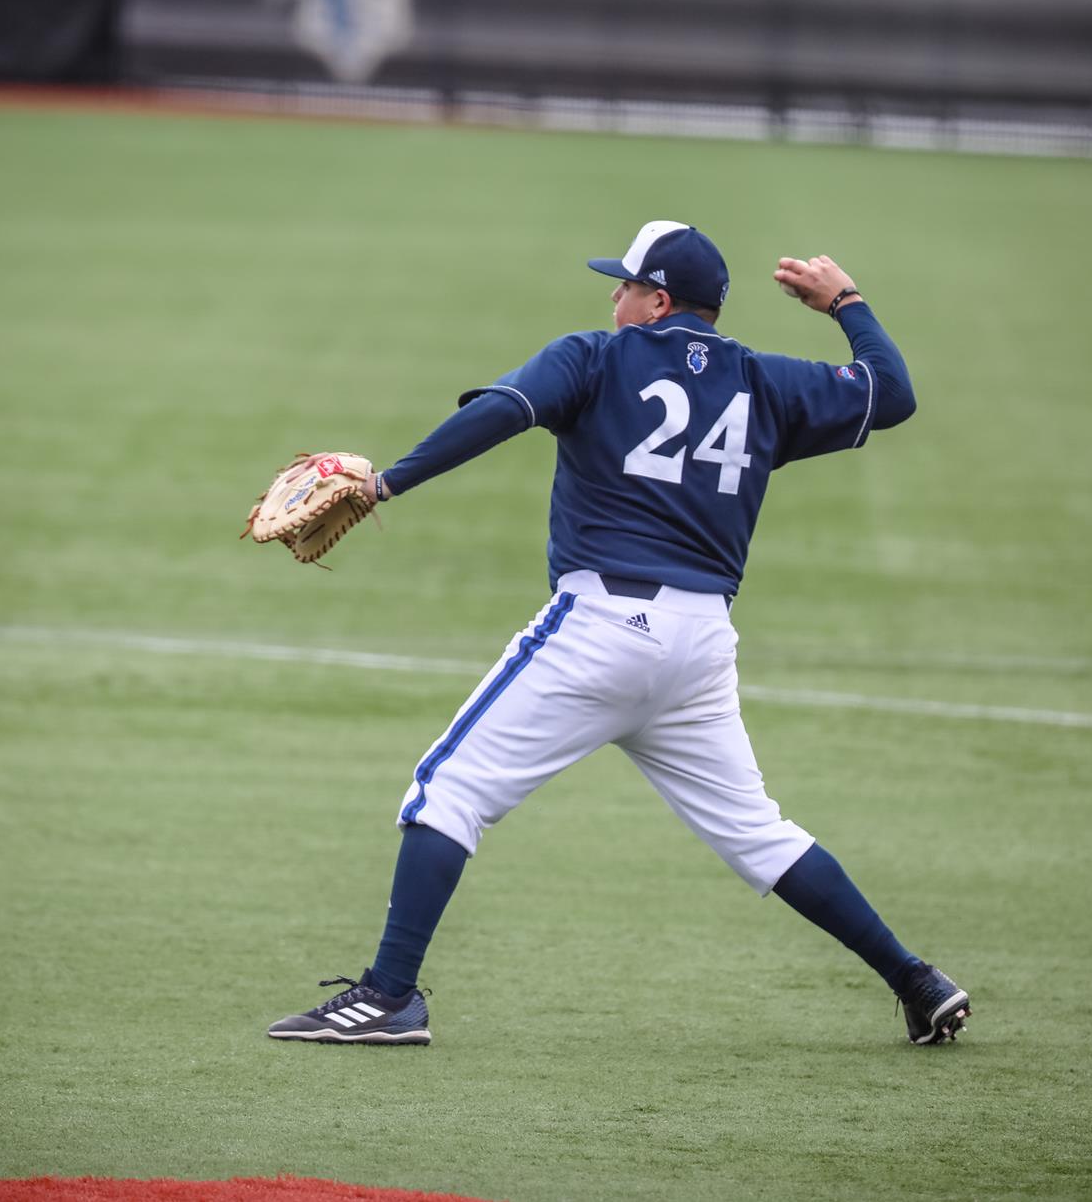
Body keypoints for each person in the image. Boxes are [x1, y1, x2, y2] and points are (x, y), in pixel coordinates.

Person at [267, 221, 969, 1047]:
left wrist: (386, 484)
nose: (614, 296)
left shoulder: (594, 358)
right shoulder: (767, 383)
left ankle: (388, 996)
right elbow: (893, 392)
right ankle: (917, 980)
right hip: (700, 647)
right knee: (759, 833)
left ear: (659, 300)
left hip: (602, 628)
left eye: (626, 284)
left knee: (448, 789)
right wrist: (844, 300)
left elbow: (501, 412)